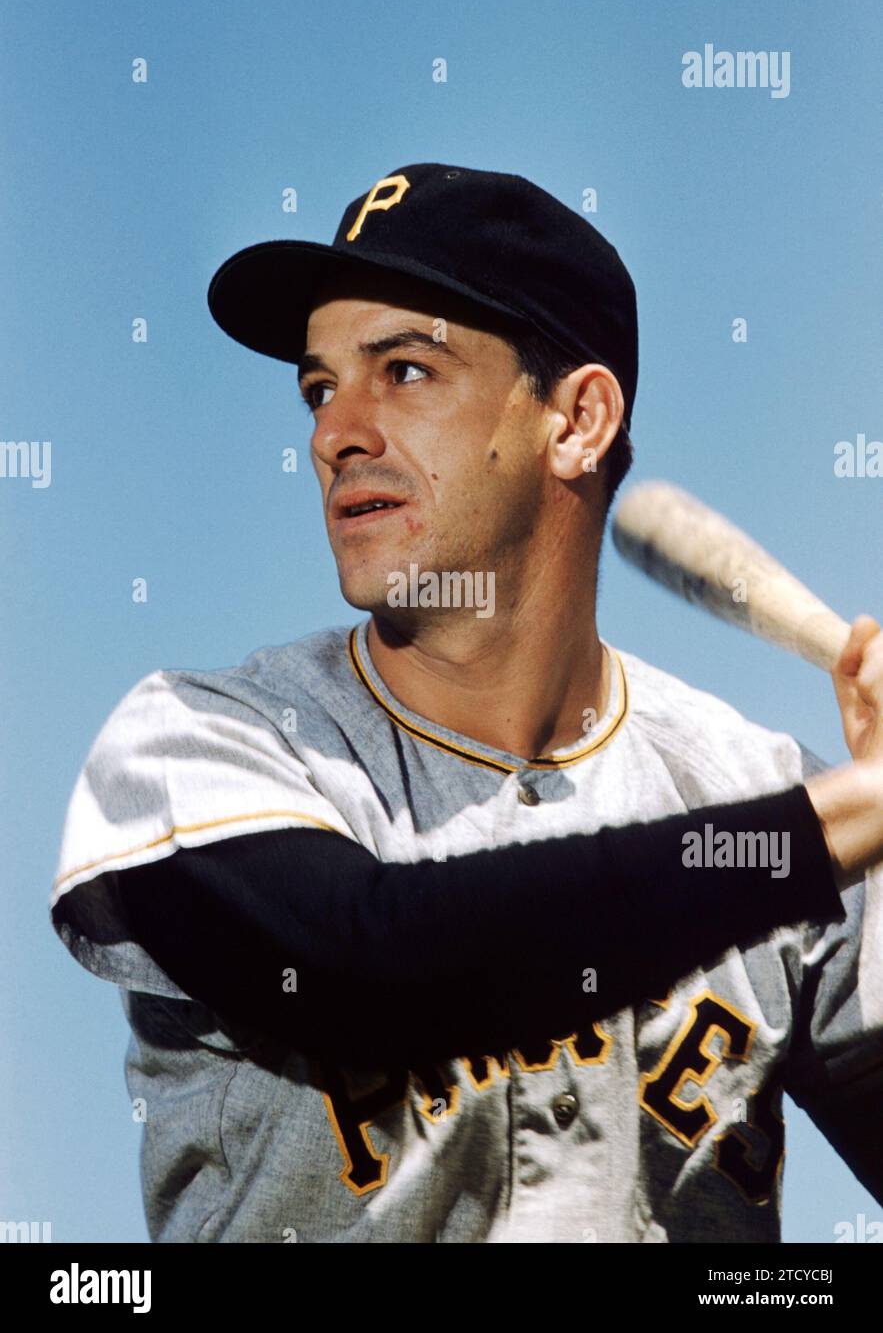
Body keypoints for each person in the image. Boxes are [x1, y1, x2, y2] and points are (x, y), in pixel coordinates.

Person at [52, 162, 883, 1243]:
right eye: (318, 387)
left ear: (577, 421)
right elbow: (371, 962)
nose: (334, 432)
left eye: (403, 370)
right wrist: (837, 825)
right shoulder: (201, 742)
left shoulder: (763, 788)